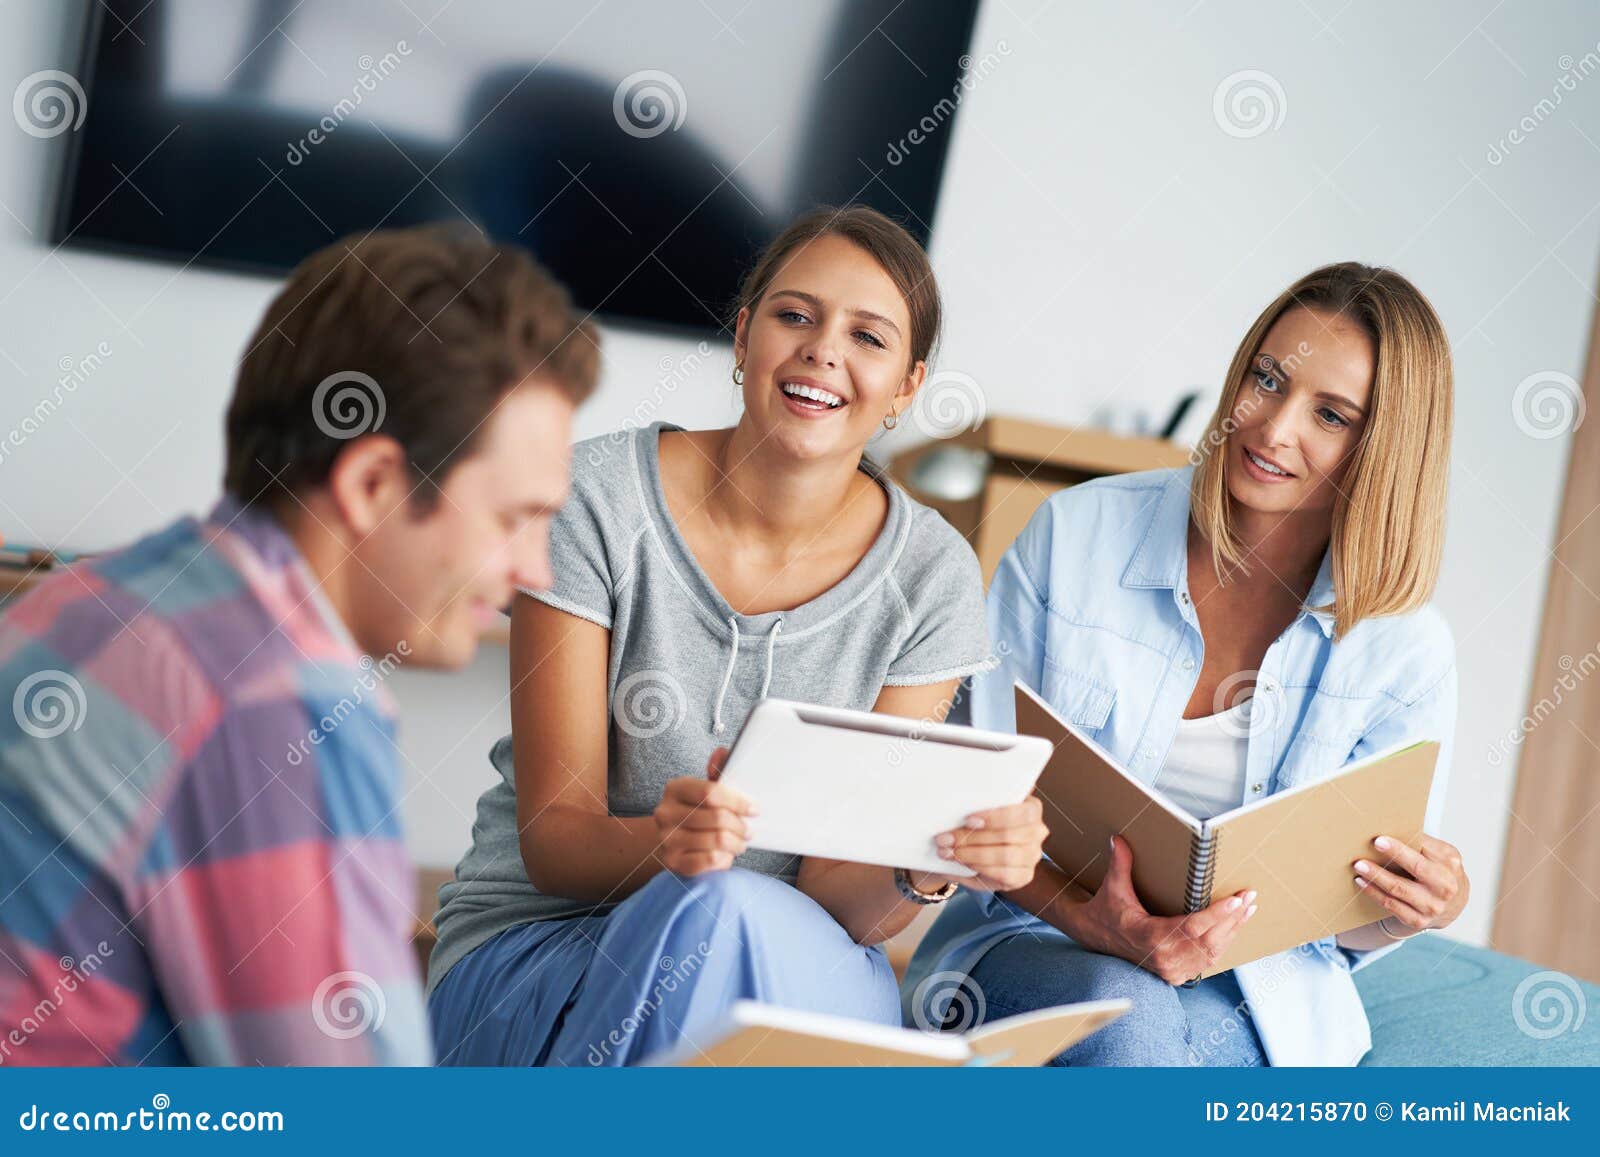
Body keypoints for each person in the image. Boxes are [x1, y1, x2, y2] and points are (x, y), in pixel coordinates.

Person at [427, 206, 1049, 1066]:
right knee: (718, 921)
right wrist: (667, 848)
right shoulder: (597, 499)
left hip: (790, 963)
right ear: (745, 335)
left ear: (907, 386)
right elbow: (556, 840)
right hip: (549, 947)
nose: (823, 350)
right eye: (795, 316)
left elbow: (841, 899)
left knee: (735, 925)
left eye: (868, 337)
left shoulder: (933, 577)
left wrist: (932, 862)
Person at [0, 225, 598, 1065]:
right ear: (372, 484)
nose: (535, 568)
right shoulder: (274, 708)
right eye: (514, 518)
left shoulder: (86, 599)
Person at [904, 262, 1470, 1068]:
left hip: (1254, 988)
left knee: (1172, 1045)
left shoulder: (1407, 649)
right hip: (1035, 935)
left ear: (1383, 450)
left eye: (1331, 415)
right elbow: (972, 797)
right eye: (1267, 379)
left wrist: (1418, 904)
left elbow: (1349, 922)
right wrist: (1100, 924)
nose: (1273, 428)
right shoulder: (1075, 535)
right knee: (1132, 1022)